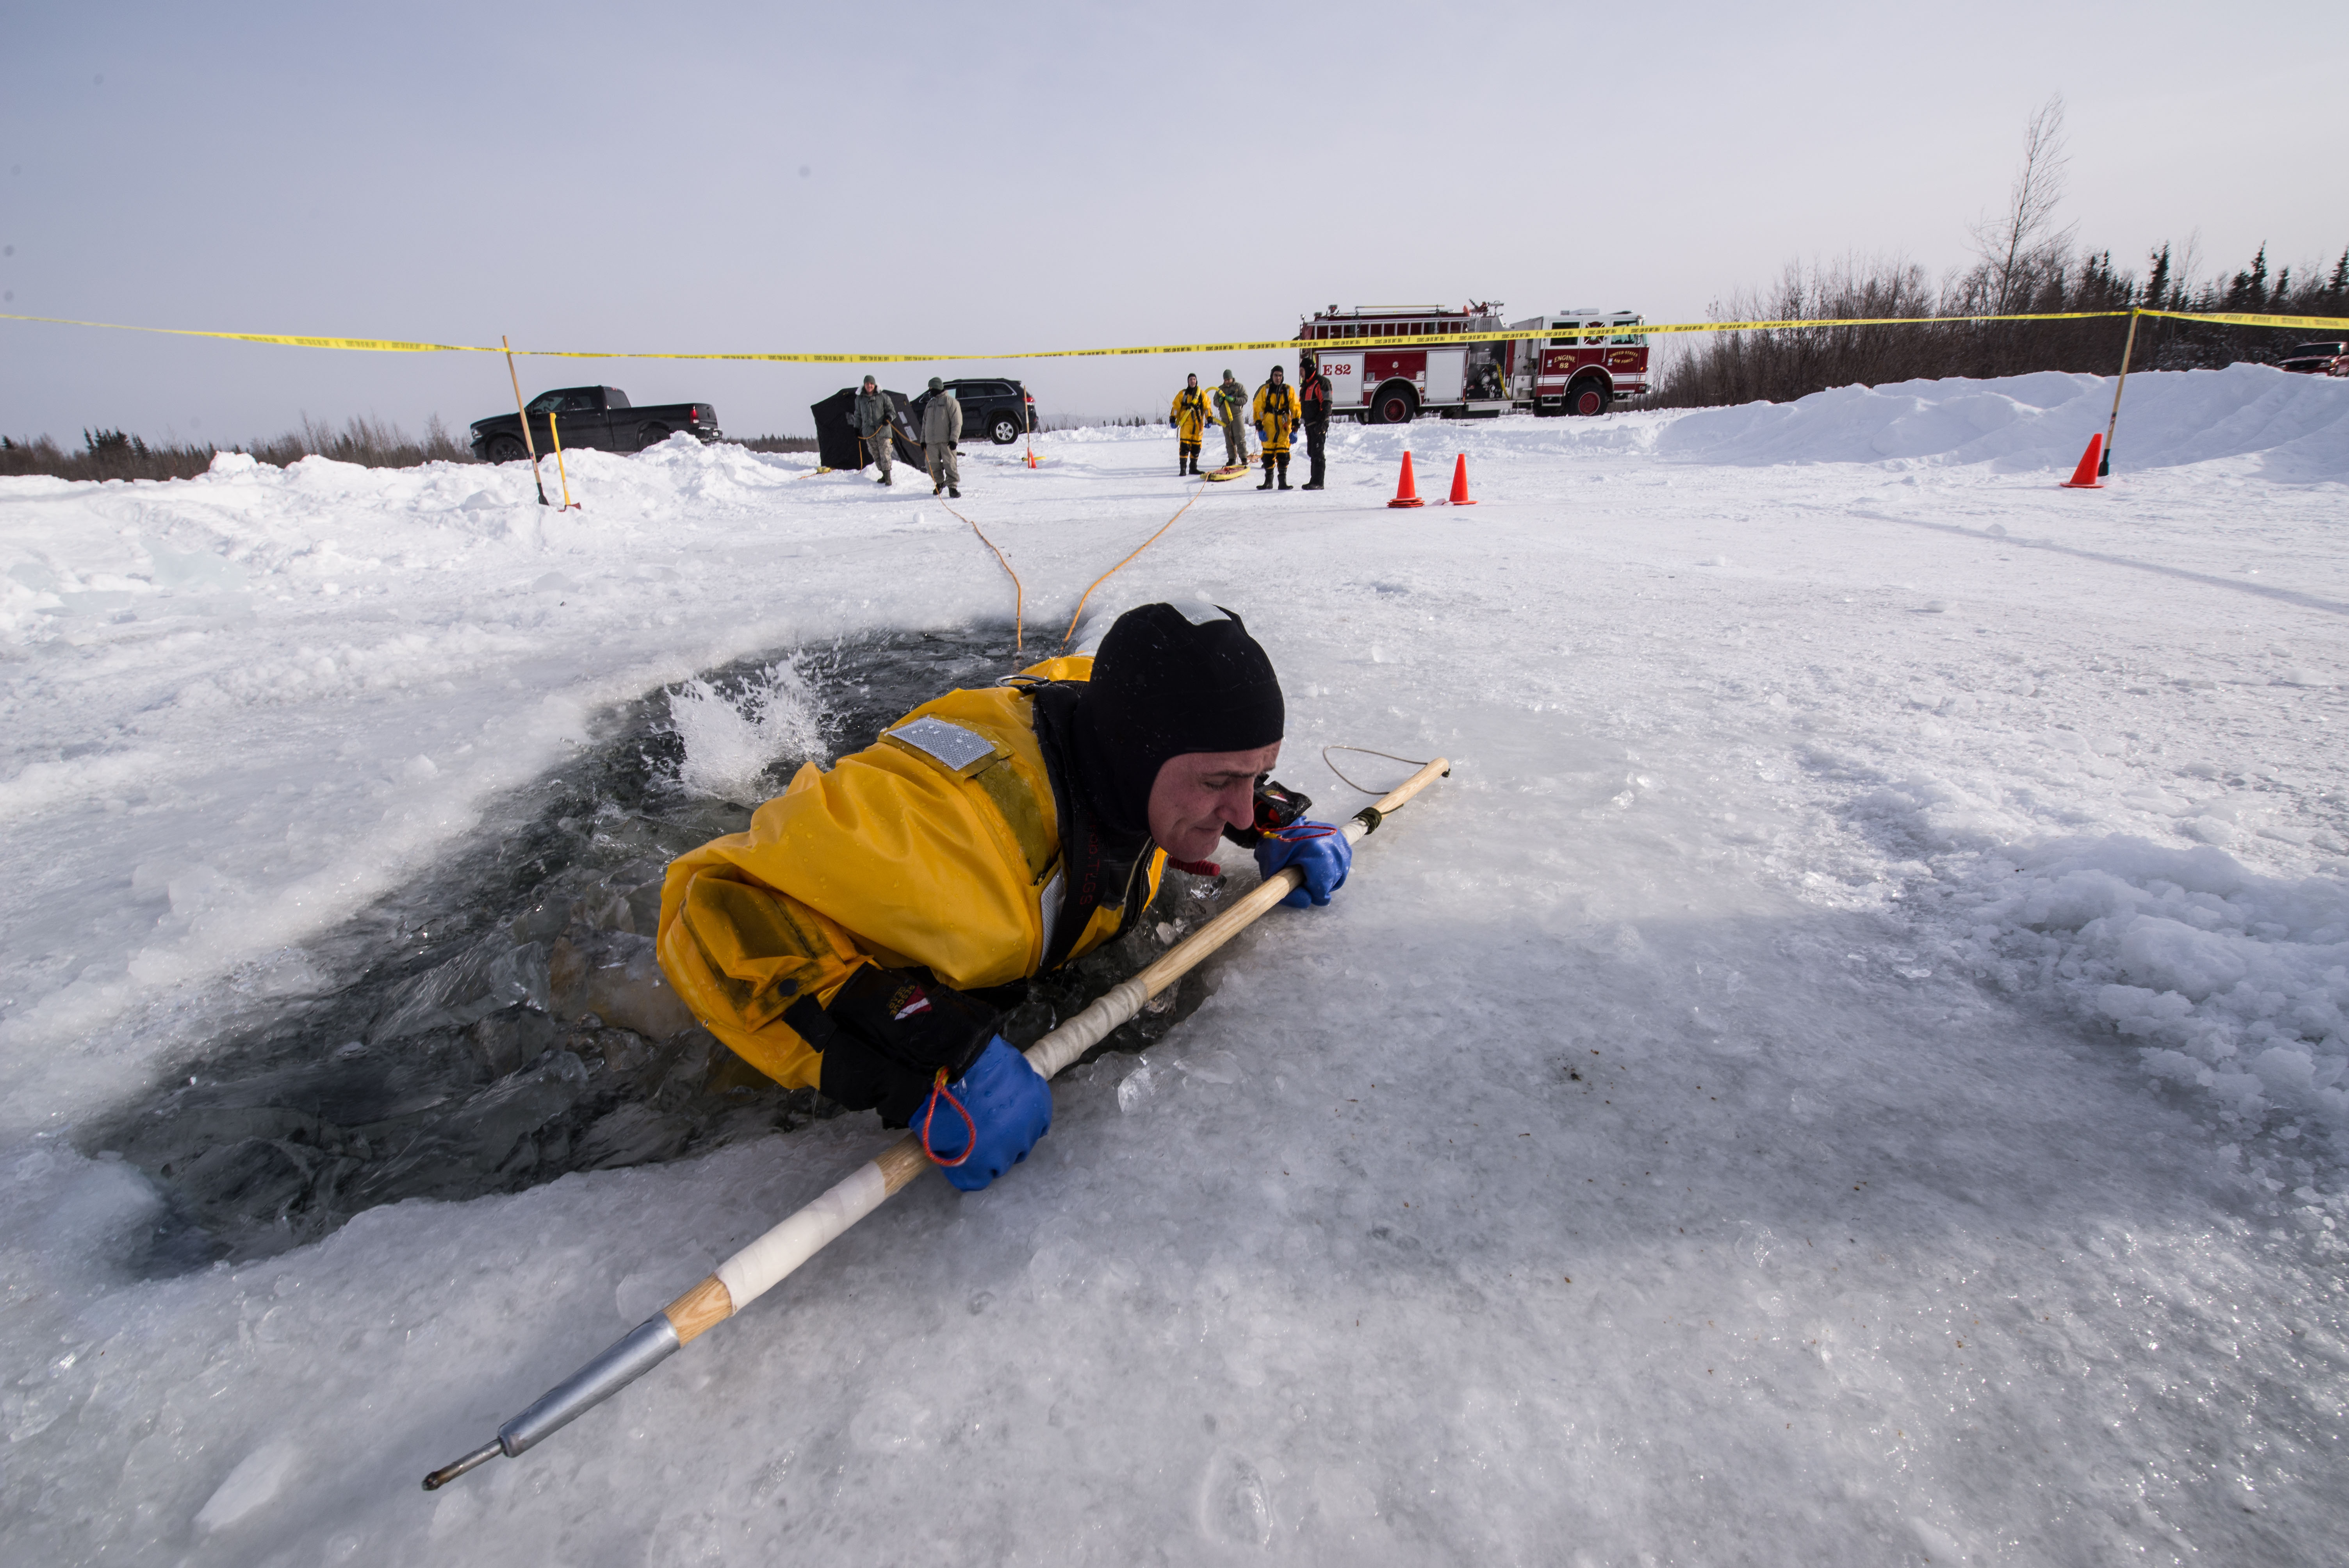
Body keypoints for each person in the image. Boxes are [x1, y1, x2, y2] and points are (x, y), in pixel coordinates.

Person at [655, 603, 1351, 1190]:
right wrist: (929, 1049)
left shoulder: (1118, 723)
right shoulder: (961, 863)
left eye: (1254, 777)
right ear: (1137, 754)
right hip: (823, 888)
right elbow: (712, 903)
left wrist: (1274, 815)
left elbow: (1094, 684)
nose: (1236, 810)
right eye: (1215, 783)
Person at [1251, 363, 1298, 490]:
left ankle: (1283, 482)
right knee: (1268, 455)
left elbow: (1295, 408)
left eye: (1280, 376)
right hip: (1269, 427)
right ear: (1272, 376)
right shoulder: (1265, 390)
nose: (1278, 378)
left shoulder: (1289, 390)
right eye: (1276, 375)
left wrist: (1295, 428)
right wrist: (1259, 426)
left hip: (1283, 427)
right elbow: (1258, 408)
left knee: (1283, 455)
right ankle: (1268, 482)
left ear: (1283, 377)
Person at [1297, 349, 1333, 491]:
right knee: (1312, 453)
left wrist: (1323, 422)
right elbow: (1304, 407)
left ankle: (1319, 482)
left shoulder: (1321, 383)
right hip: (1310, 425)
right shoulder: (1305, 386)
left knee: (1318, 453)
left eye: (1302, 370)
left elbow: (1327, 403)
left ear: (1308, 369)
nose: (1301, 373)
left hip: (1318, 425)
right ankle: (1314, 480)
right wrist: (1300, 421)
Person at [920, 376, 962, 498]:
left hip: (947, 442)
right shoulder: (930, 405)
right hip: (931, 442)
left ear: (938, 387)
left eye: (932, 388)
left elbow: (957, 422)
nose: (930, 391)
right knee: (931, 465)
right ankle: (939, 483)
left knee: (950, 465)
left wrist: (954, 439)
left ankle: (953, 488)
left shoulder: (951, 402)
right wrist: (923, 440)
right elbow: (925, 424)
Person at [852, 374, 896, 486]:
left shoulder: (883, 397)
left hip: (883, 430)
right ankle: (883, 474)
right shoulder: (860, 400)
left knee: (885, 453)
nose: (870, 386)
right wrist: (857, 428)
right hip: (869, 432)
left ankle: (888, 478)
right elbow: (858, 415)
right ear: (865, 385)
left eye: (871, 384)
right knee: (875, 454)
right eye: (867, 384)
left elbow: (892, 411)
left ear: (875, 385)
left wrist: (888, 418)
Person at [1170, 374, 1213, 476]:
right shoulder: (1183, 394)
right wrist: (1173, 418)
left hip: (1198, 424)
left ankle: (1193, 468)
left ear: (1196, 381)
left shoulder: (1202, 394)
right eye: (1191, 380)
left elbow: (1207, 407)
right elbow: (1176, 407)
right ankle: (1183, 469)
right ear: (1188, 382)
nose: (1193, 381)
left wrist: (1209, 418)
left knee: (1197, 447)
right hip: (1186, 424)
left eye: (1194, 379)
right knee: (1185, 446)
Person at [1214, 369, 1249, 470]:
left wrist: (1234, 400)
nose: (1227, 381)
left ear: (1232, 378)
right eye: (1225, 380)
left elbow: (1245, 399)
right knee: (1229, 439)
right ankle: (1232, 458)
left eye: (1228, 379)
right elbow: (1215, 402)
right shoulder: (1220, 389)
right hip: (1225, 418)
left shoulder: (1239, 387)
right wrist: (1220, 402)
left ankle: (1244, 457)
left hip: (1236, 416)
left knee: (1240, 437)